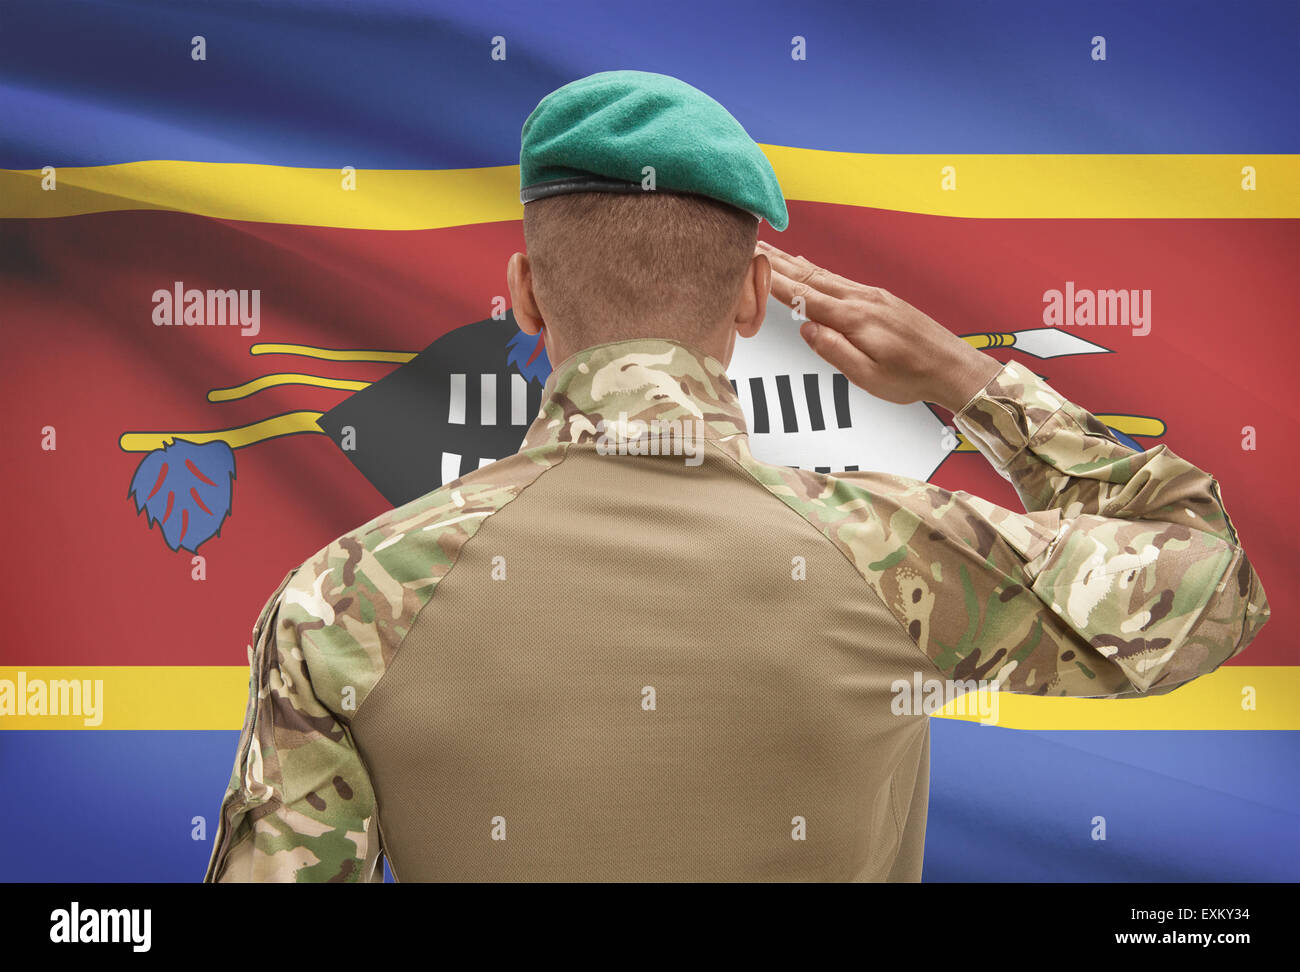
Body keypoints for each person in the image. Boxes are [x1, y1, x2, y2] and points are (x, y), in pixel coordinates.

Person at [204, 70, 1269, 882]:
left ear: (525, 296)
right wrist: (968, 379)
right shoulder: (893, 554)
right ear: (756, 299)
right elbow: (1212, 584)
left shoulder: (339, 599)